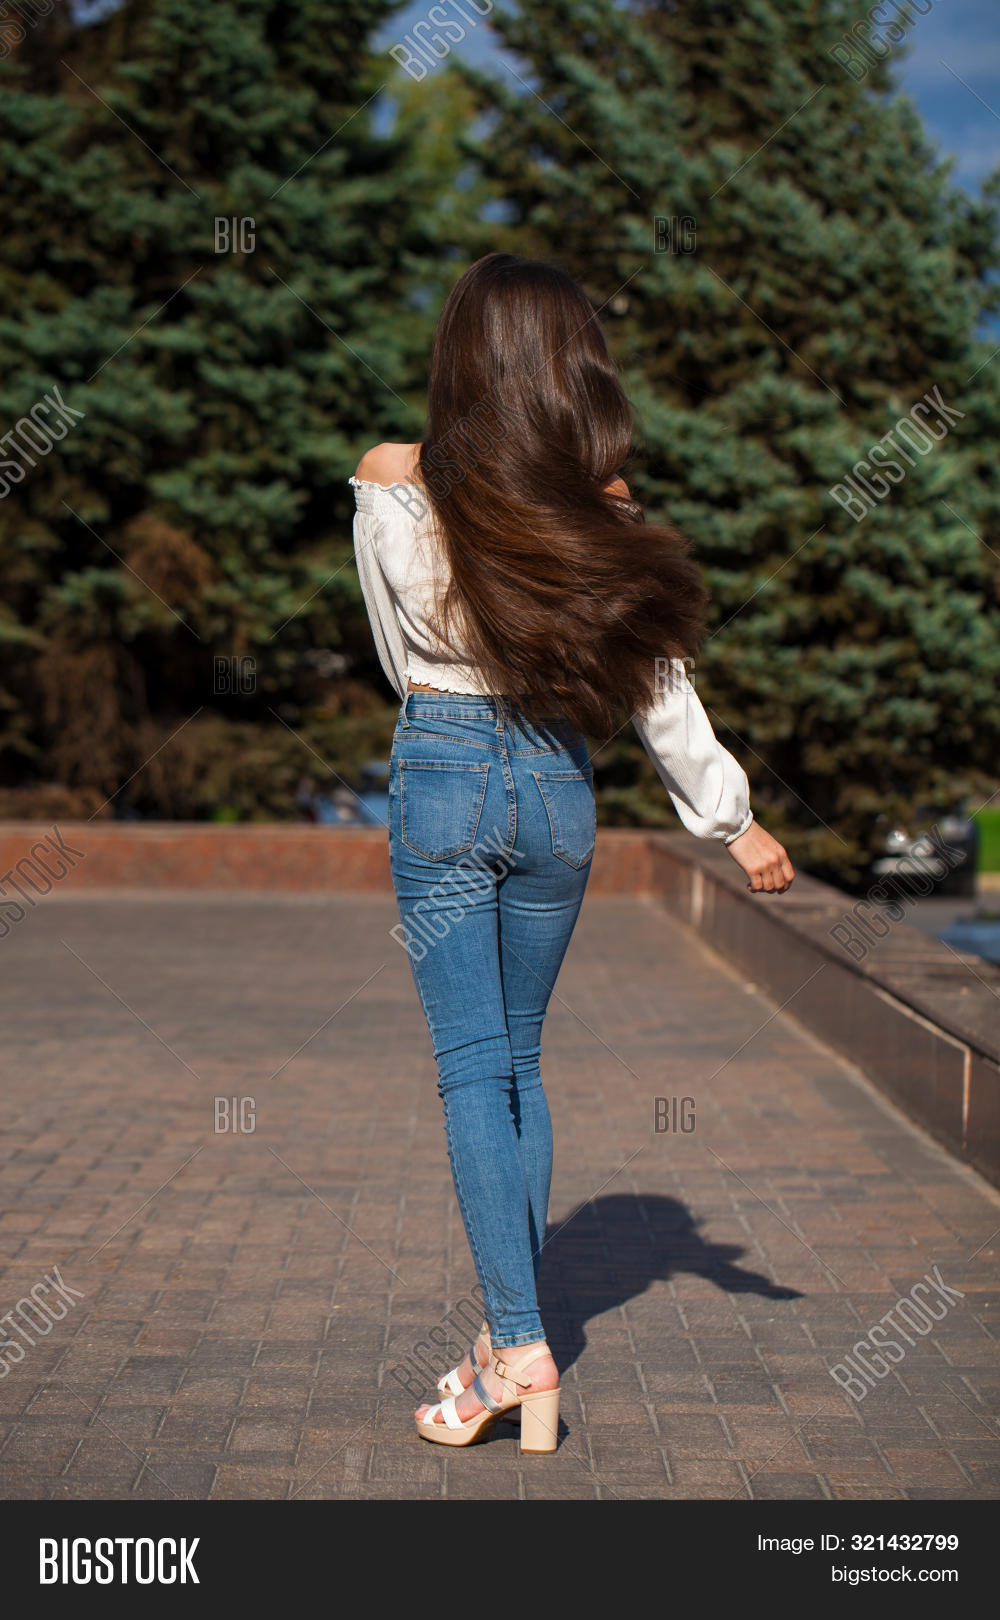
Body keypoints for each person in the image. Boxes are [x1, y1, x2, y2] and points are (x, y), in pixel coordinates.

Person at [349, 252, 794, 1452]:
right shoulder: (593, 512)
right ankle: (508, 1345)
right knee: (520, 1067)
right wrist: (733, 819)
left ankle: (519, 1350)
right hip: (556, 782)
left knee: (467, 1071)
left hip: (442, 761)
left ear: (462, 361)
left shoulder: (395, 480)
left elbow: (396, 651)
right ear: (569, 370)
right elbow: (656, 687)